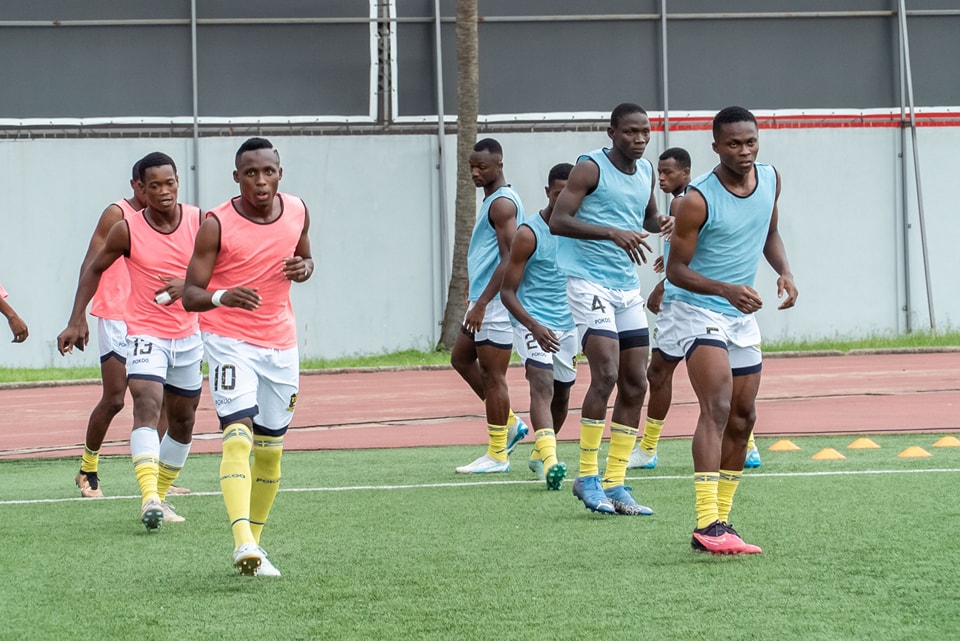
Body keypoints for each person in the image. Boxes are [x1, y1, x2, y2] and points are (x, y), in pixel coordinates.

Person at [661, 106, 798, 554]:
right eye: (734, 144)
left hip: (740, 313)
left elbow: (769, 231)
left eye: (751, 142)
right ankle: (707, 522)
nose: (744, 151)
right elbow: (676, 271)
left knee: (744, 417)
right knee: (716, 406)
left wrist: (784, 272)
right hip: (697, 308)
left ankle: (722, 521)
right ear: (715, 146)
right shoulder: (695, 199)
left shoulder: (771, 178)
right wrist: (725, 289)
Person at [183, 137, 313, 577]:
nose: (261, 181)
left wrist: (305, 267)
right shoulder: (216, 223)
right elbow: (190, 295)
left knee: (271, 453)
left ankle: (256, 546)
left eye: (268, 172)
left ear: (280, 173)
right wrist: (223, 295)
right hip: (228, 340)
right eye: (251, 173)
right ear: (236, 177)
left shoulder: (297, 210)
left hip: (281, 344)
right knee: (238, 437)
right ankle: (242, 541)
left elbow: (305, 257)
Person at [58, 151, 203, 530]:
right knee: (125, 399)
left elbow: (221, 266)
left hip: (184, 330)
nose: (161, 190)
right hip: (123, 317)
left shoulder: (198, 219)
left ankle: (156, 481)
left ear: (177, 182)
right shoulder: (119, 219)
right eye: (152, 184)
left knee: (179, 415)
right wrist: (78, 318)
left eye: (168, 182)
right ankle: (98, 472)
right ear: (137, 186)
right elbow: (93, 263)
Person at [549, 102, 669, 515]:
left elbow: (650, 217)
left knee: (636, 382)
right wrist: (611, 233)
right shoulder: (590, 168)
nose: (639, 139)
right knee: (606, 374)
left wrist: (668, 222)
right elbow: (558, 221)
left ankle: (616, 483)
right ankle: (587, 476)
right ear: (612, 131)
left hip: (625, 287)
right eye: (631, 132)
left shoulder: (648, 171)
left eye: (645, 133)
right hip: (587, 283)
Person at [629, 148, 763, 471]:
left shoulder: (684, 201)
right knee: (678, 376)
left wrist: (662, 287)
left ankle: (647, 448)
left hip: (687, 305)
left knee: (666, 374)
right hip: (696, 301)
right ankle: (748, 443)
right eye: (658, 172)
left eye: (668, 173)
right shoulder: (694, 199)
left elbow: (690, 260)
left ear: (686, 173)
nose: (661, 178)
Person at [451, 138, 529, 474]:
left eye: (482, 166)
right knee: (461, 358)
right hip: (483, 297)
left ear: (499, 164)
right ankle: (511, 422)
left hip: (495, 303)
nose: (475, 172)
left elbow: (510, 257)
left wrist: (483, 301)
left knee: (494, 377)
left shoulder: (501, 205)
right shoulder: (492, 202)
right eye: (471, 166)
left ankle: (498, 454)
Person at [499, 163, 576, 491]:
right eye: (558, 194)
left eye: (571, 195)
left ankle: (539, 452)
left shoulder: (581, 231)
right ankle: (551, 462)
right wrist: (534, 326)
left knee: (562, 395)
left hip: (569, 326)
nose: (564, 200)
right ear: (548, 192)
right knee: (541, 385)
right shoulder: (529, 234)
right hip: (531, 323)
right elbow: (507, 292)